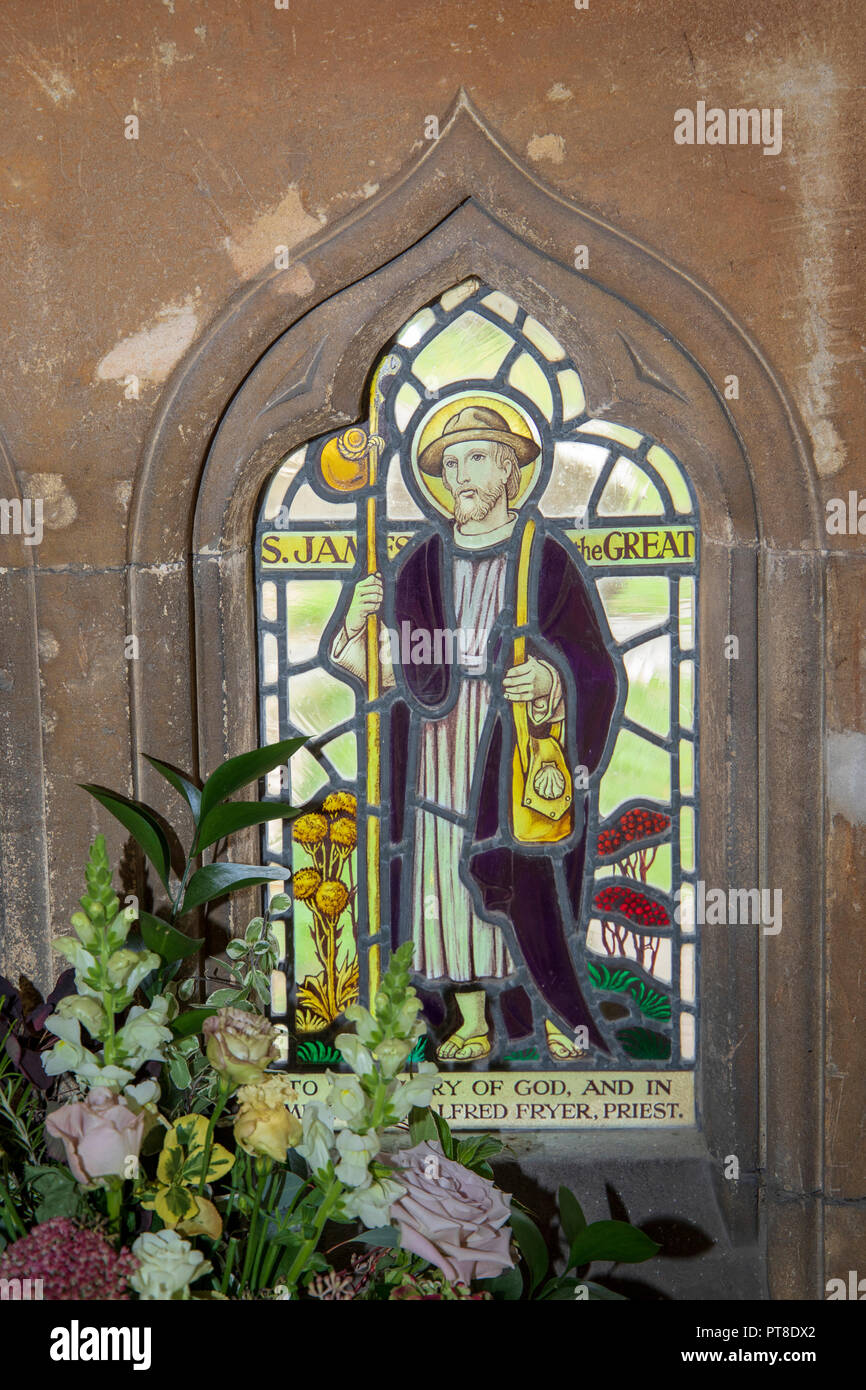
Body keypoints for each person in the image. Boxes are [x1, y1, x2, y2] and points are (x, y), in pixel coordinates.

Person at [330, 403, 619, 1060]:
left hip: (519, 742)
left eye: (477, 456)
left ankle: (552, 1007)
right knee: (443, 875)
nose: (461, 473)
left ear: (512, 469)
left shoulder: (543, 557)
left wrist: (549, 682)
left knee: (531, 869)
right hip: (439, 744)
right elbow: (383, 674)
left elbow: (591, 661)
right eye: (450, 463)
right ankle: (468, 1018)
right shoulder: (421, 562)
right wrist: (356, 618)